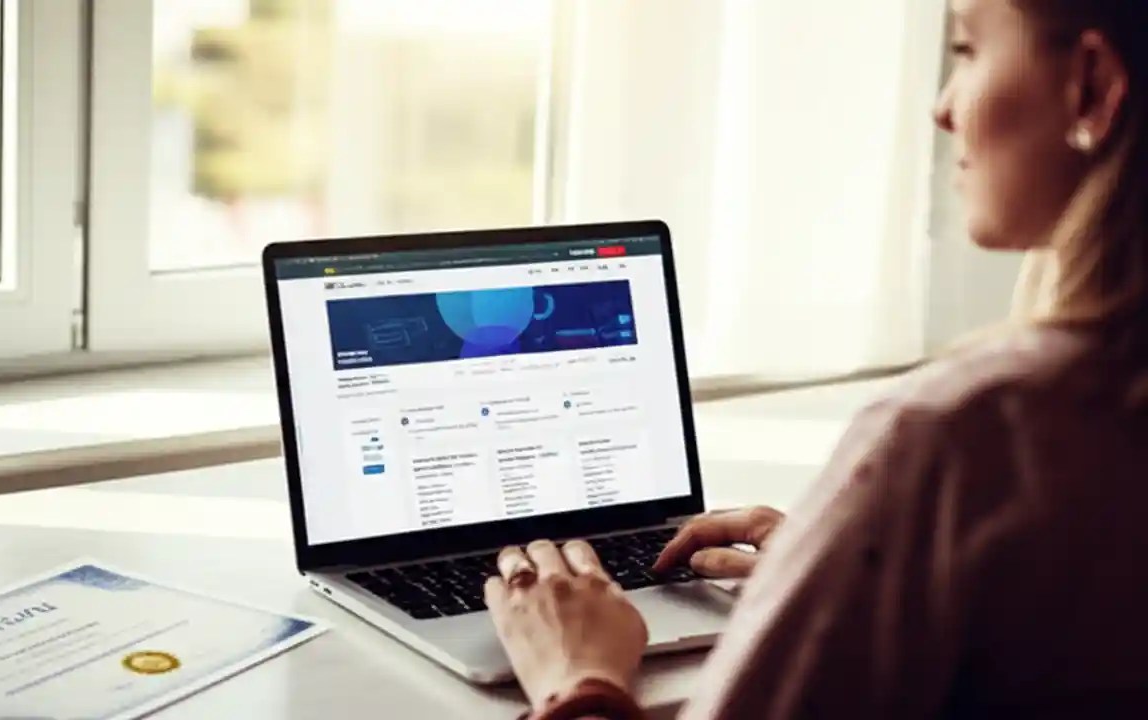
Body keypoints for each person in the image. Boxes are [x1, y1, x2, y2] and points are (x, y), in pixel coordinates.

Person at [483, 0, 1148, 717]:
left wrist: (579, 682)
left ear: (1092, 83)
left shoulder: (962, 435)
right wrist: (857, 559)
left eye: (966, 50)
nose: (943, 109)